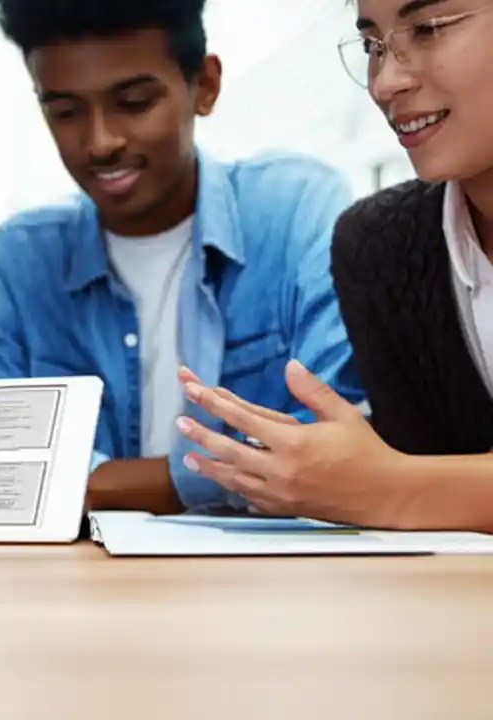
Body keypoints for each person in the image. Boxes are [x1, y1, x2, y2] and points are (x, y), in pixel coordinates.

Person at [0, 0, 365, 515]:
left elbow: (339, 447)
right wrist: (231, 472)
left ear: (205, 86)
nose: (101, 142)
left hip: (271, 586)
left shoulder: (295, 208)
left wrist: (86, 486)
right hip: (71, 587)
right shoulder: (19, 261)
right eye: (66, 112)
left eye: (134, 102)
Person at [177, 0, 493, 532]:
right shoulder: (379, 248)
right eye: (373, 45)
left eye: (430, 28)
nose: (385, 82)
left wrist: (387, 488)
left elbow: (397, 489)